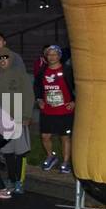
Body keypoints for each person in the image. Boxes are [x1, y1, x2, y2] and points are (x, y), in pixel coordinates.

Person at [0, 46, 34, 193]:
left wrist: (27, 116)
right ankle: (10, 178)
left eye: (5, 57)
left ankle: (19, 182)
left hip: (18, 120)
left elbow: (29, 95)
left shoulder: (20, 74)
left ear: (11, 59)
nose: (2, 61)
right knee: (7, 152)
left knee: (20, 152)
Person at [36, 45, 75, 174]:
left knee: (65, 137)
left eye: (54, 54)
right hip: (48, 110)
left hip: (65, 110)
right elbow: (37, 87)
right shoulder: (42, 71)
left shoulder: (67, 70)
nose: (51, 57)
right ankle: (51, 156)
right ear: (46, 56)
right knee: (45, 136)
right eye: (49, 54)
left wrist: (74, 101)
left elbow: (77, 86)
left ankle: (65, 162)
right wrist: (39, 99)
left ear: (59, 56)